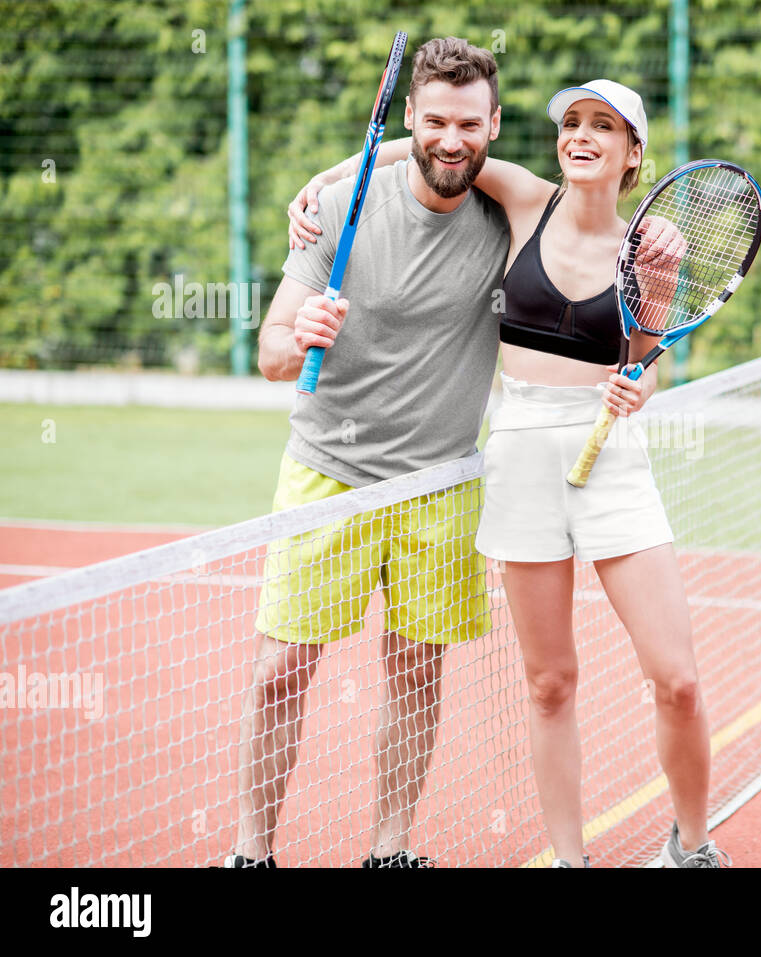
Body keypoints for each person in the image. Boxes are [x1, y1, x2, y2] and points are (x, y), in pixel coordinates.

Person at [290, 78, 730, 867]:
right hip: (520, 453)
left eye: (604, 126)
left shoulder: (650, 250)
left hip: (612, 464)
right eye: (572, 123)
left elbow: (647, 360)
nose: (582, 135)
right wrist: (325, 182)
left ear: (634, 155)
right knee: (550, 682)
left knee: (680, 680)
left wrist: (640, 385)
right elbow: (426, 148)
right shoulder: (525, 197)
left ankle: (692, 845)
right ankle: (570, 859)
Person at [227, 36, 513, 869]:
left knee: (416, 674)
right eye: (434, 121)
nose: (451, 139)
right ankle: (251, 853)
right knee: (282, 668)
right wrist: (298, 332)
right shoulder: (343, 206)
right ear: (412, 121)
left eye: (469, 122)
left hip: (440, 484)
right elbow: (272, 353)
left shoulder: (510, 219)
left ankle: (391, 851)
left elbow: (591, 211)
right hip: (328, 473)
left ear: (493, 125)